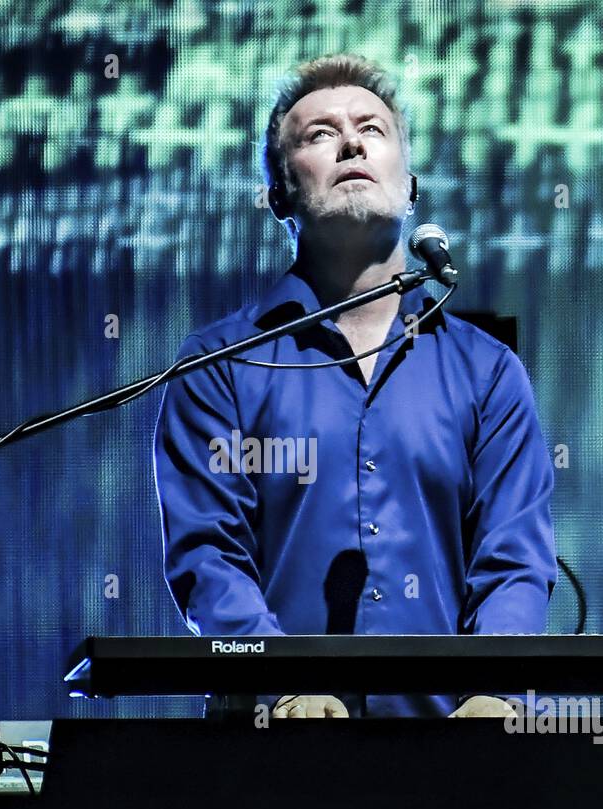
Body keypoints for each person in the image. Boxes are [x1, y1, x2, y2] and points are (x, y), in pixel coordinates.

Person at [154, 53, 557, 722]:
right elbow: (208, 552)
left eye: (372, 128)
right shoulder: (219, 365)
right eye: (318, 135)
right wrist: (281, 685)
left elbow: (514, 554)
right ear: (279, 193)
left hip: (456, 762)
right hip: (268, 771)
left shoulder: (487, 372)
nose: (349, 142)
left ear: (410, 184)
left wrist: (496, 690)